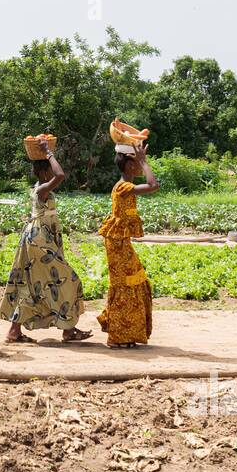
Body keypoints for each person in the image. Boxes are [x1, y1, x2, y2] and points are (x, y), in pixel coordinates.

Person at [0, 138, 92, 343]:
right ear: (43, 171)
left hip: (41, 237)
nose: (53, 172)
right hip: (39, 239)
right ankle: (68, 329)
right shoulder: (42, 189)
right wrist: (49, 152)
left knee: (33, 284)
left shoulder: (42, 187)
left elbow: (58, 175)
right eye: (49, 168)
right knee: (68, 279)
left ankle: (17, 331)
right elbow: (61, 175)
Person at [96, 143, 159, 348]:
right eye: (138, 164)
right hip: (117, 243)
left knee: (133, 280)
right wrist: (144, 161)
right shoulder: (123, 186)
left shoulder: (125, 185)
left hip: (121, 242)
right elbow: (153, 185)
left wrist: (140, 159)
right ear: (131, 166)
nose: (141, 167)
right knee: (125, 283)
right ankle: (117, 336)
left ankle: (126, 333)